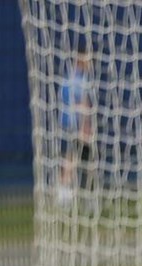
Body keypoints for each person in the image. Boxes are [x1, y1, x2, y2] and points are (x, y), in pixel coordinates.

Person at [57, 43, 95, 206]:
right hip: (77, 125)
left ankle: (66, 192)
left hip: (66, 123)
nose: (90, 62)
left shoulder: (67, 78)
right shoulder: (80, 80)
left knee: (71, 158)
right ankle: (86, 195)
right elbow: (83, 104)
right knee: (81, 159)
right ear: (81, 59)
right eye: (88, 58)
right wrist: (85, 126)